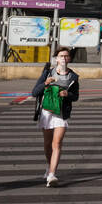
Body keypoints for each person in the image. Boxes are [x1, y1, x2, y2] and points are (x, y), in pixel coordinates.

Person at [32, 47, 80, 187]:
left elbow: (76, 96)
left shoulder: (73, 77)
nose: (64, 59)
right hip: (46, 112)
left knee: (56, 143)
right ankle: (49, 166)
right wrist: (46, 83)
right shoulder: (48, 72)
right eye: (61, 56)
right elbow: (34, 92)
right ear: (56, 59)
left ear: (69, 59)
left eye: (66, 56)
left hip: (61, 113)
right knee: (48, 144)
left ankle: (52, 175)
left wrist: (67, 95)